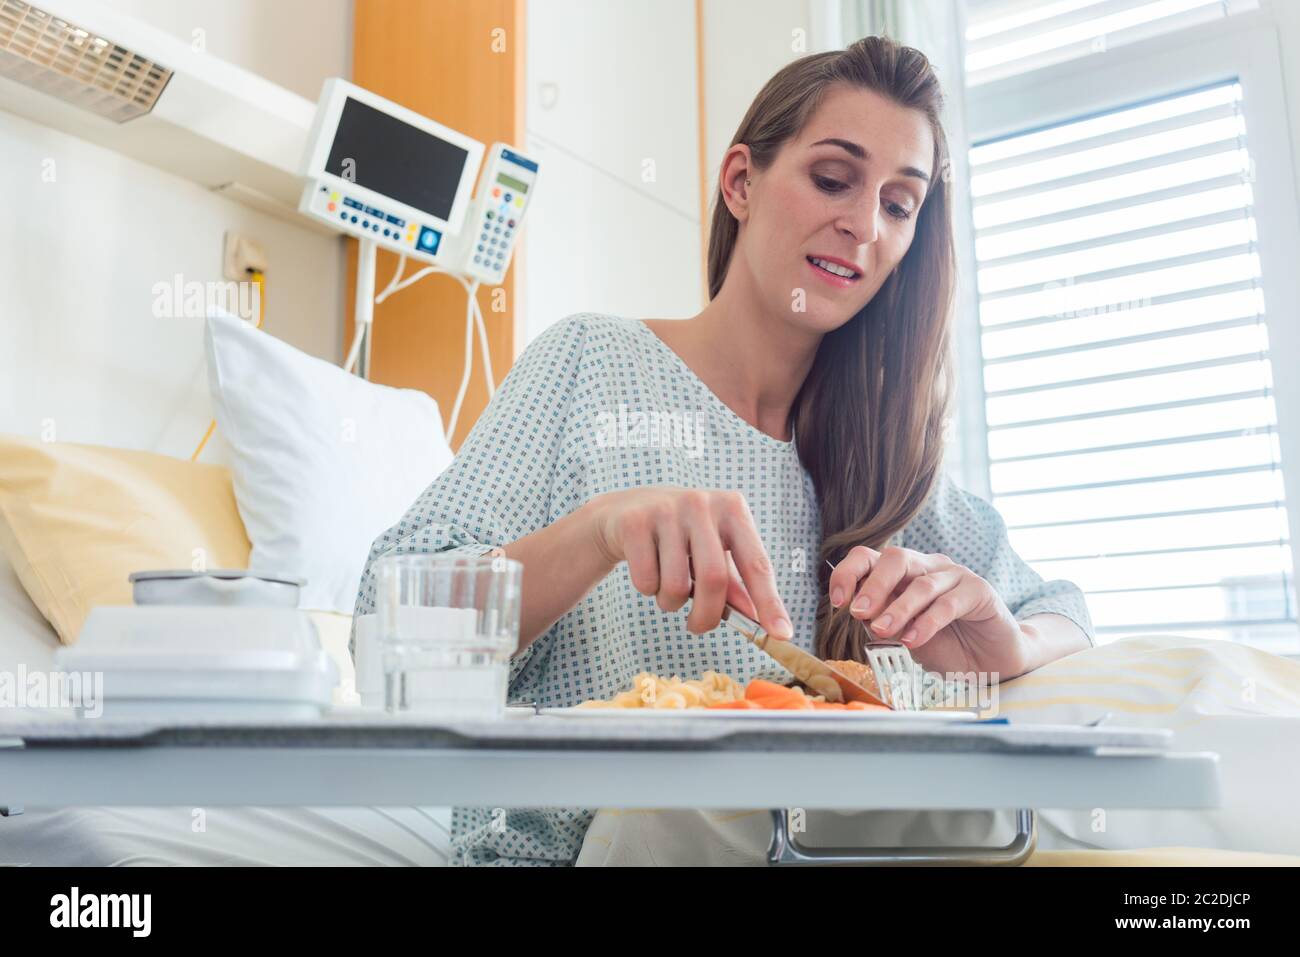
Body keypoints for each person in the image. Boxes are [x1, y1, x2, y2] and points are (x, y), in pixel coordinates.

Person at [352, 34, 1094, 866]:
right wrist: (599, 529)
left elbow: (1063, 609)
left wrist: (1013, 643)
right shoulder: (592, 364)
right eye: (833, 177)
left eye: (898, 204)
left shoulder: (884, 471)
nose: (862, 225)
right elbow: (384, 630)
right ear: (741, 181)